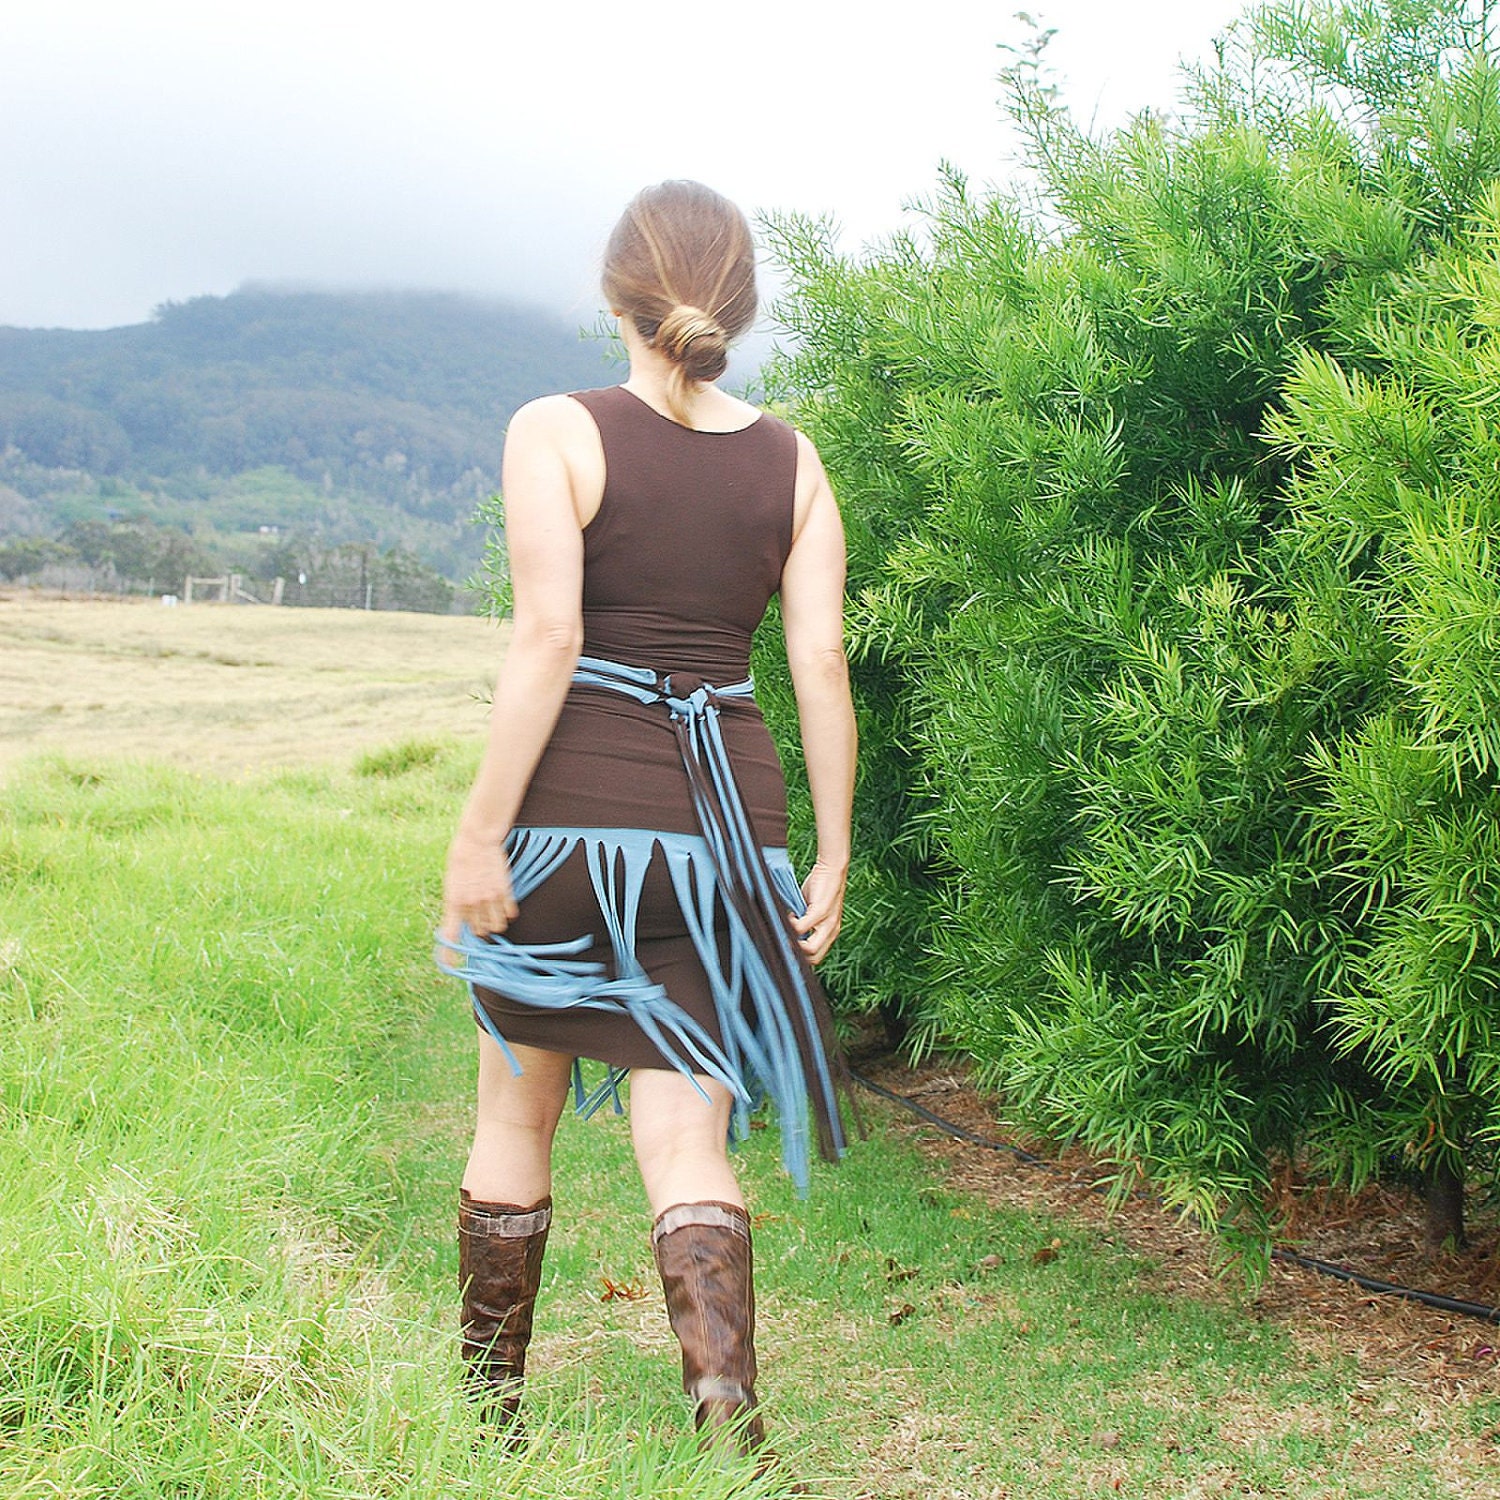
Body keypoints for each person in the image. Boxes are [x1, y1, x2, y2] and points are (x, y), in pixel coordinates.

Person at [437, 180, 857, 1454]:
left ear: (615, 294)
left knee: (516, 1115)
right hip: (729, 838)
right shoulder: (794, 460)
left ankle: (487, 1423)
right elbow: (821, 662)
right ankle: (728, 1431)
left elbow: (551, 635)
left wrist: (476, 833)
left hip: (566, 826)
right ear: (739, 304)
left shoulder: (553, 429)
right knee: (687, 1137)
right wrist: (833, 851)